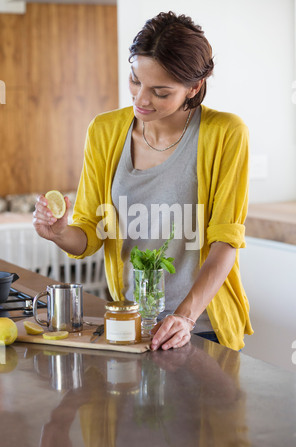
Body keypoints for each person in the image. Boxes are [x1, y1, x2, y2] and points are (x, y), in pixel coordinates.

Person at [33, 11, 253, 352]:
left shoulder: (225, 133)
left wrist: (184, 317)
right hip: (131, 323)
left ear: (194, 87)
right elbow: (90, 233)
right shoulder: (104, 131)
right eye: (135, 80)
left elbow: (226, 242)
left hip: (201, 326)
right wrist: (61, 232)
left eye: (160, 92)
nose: (140, 99)